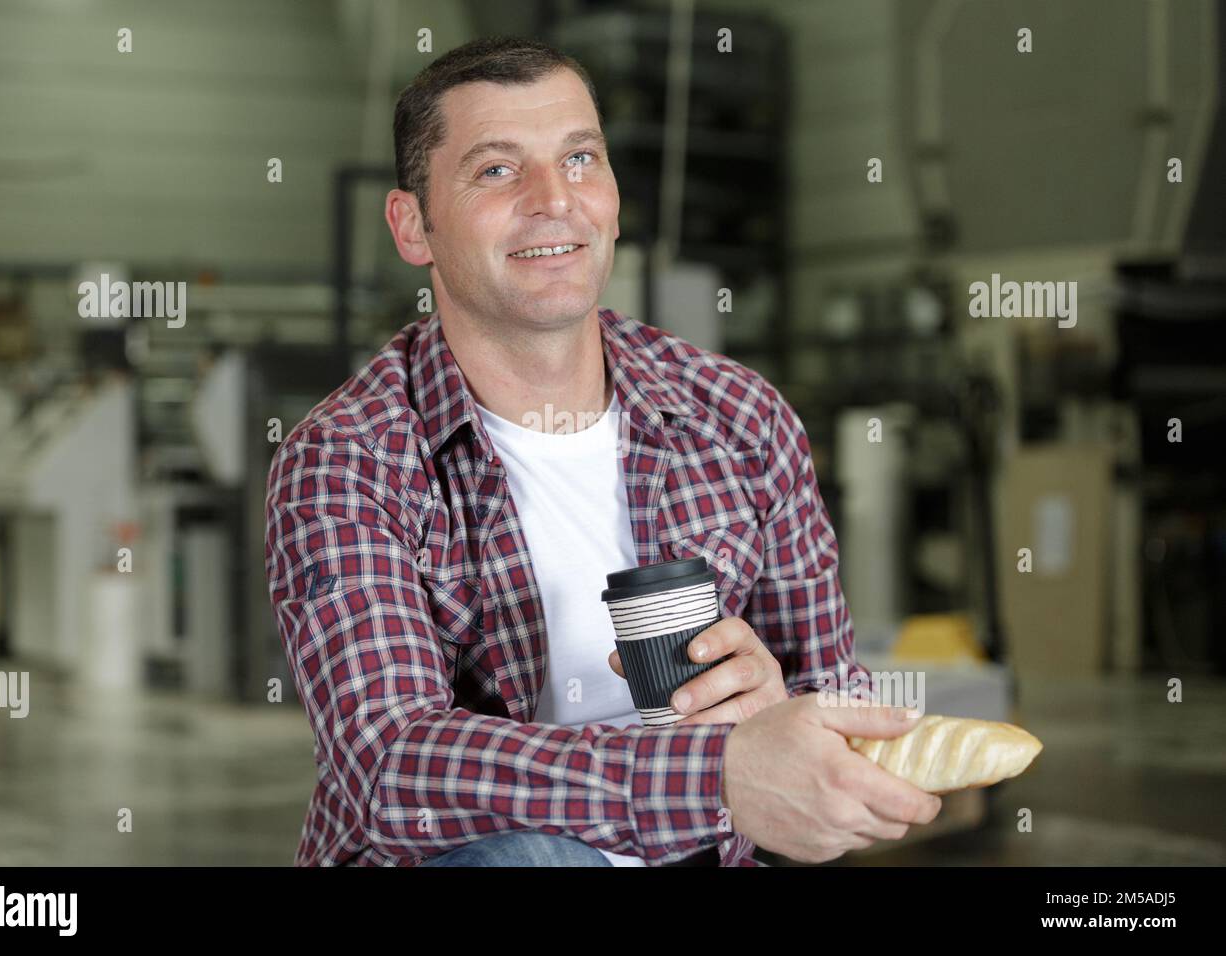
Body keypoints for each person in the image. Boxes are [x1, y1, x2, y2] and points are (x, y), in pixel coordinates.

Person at [264, 35, 941, 868]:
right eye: (497, 170)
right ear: (414, 227)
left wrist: (781, 708)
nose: (556, 200)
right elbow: (391, 765)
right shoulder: (346, 460)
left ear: (615, 196)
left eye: (580, 159)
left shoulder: (739, 416)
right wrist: (713, 774)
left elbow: (838, 702)